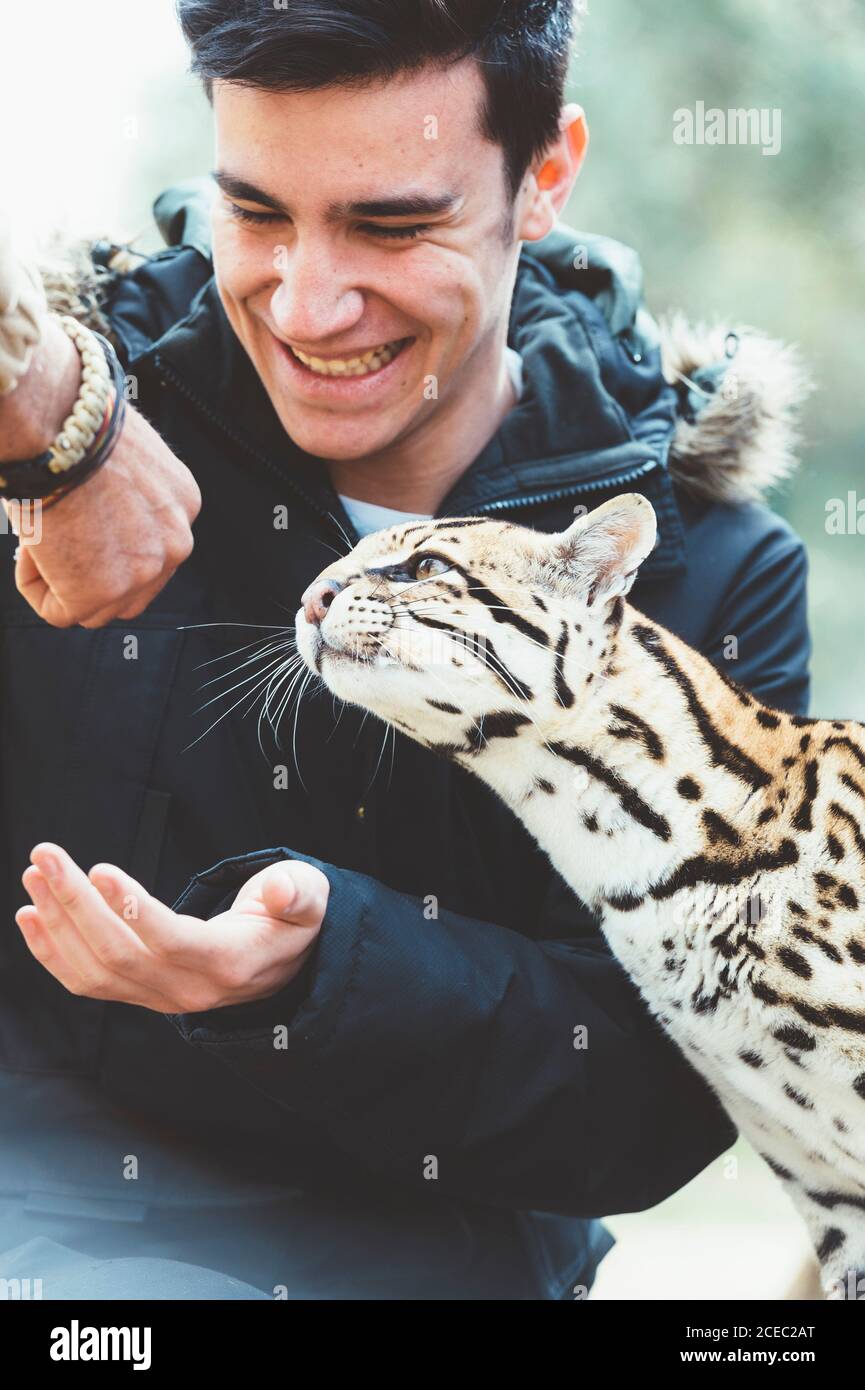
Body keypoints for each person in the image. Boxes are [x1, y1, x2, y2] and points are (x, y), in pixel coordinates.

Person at [0, 0, 810, 1300]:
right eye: (254, 215)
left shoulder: (702, 570)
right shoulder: (57, 422)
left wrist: (327, 966)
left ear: (544, 175)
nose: (307, 304)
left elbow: (657, 1093)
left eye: (390, 224)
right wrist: (44, 413)